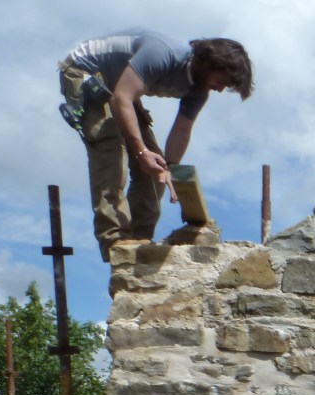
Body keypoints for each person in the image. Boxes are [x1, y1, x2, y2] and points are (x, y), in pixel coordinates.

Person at [58, 30, 253, 261]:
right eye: (221, 81)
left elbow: (181, 129)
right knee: (112, 151)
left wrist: (169, 168)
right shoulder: (162, 54)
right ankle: (115, 241)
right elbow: (121, 98)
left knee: (156, 169)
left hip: (119, 86)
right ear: (208, 63)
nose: (220, 89)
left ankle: (139, 242)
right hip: (86, 73)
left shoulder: (199, 90)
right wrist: (141, 152)